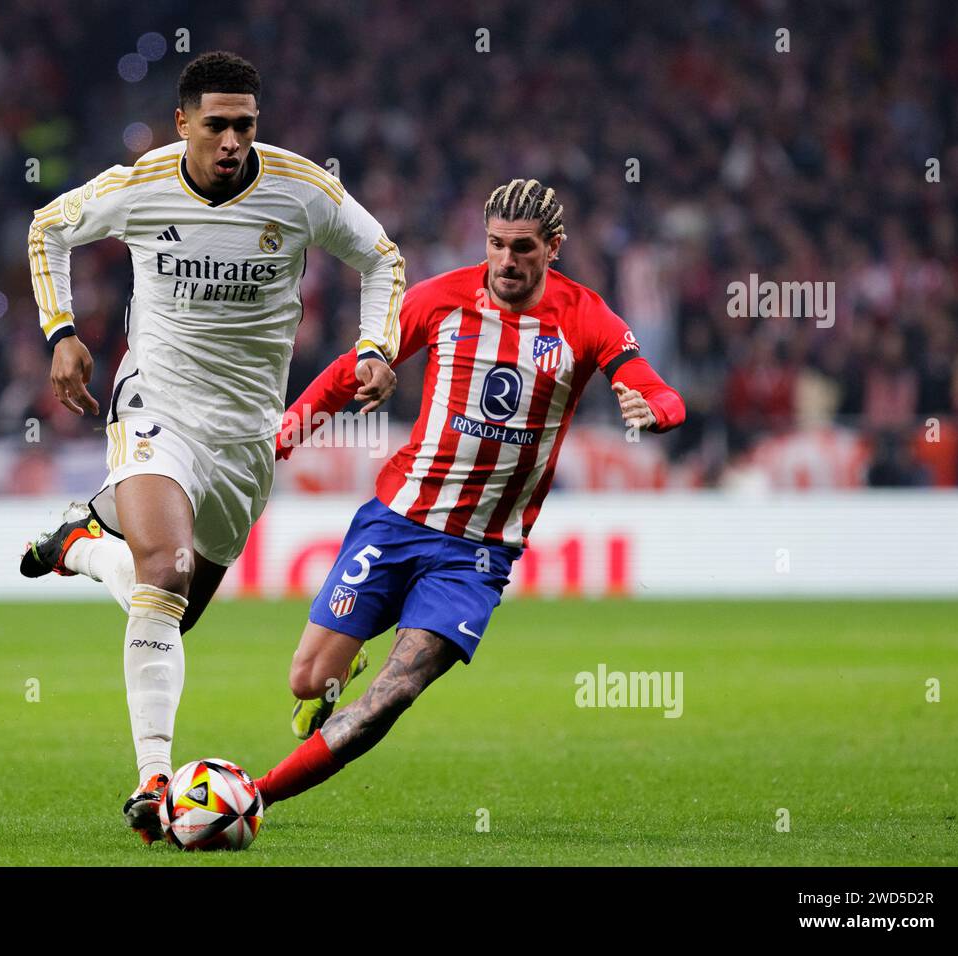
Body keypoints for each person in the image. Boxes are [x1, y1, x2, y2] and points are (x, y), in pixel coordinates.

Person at [20, 51, 403, 843]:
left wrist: (377, 345)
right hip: (155, 401)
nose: (232, 141)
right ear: (183, 124)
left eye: (245, 126)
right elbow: (48, 226)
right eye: (218, 125)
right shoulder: (142, 184)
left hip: (246, 438)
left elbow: (382, 257)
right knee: (167, 567)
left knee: (168, 610)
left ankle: (83, 547)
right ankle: (153, 779)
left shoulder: (302, 190)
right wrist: (60, 334)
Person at [256, 178, 685, 806]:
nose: (507, 260)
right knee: (307, 680)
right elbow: (357, 365)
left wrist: (655, 410)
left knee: (394, 695)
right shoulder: (440, 299)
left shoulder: (586, 316)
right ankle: (338, 667)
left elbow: (662, 391)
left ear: (554, 246)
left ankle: (258, 795)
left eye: (524, 247)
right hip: (397, 518)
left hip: (475, 555)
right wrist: (291, 428)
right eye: (496, 244)